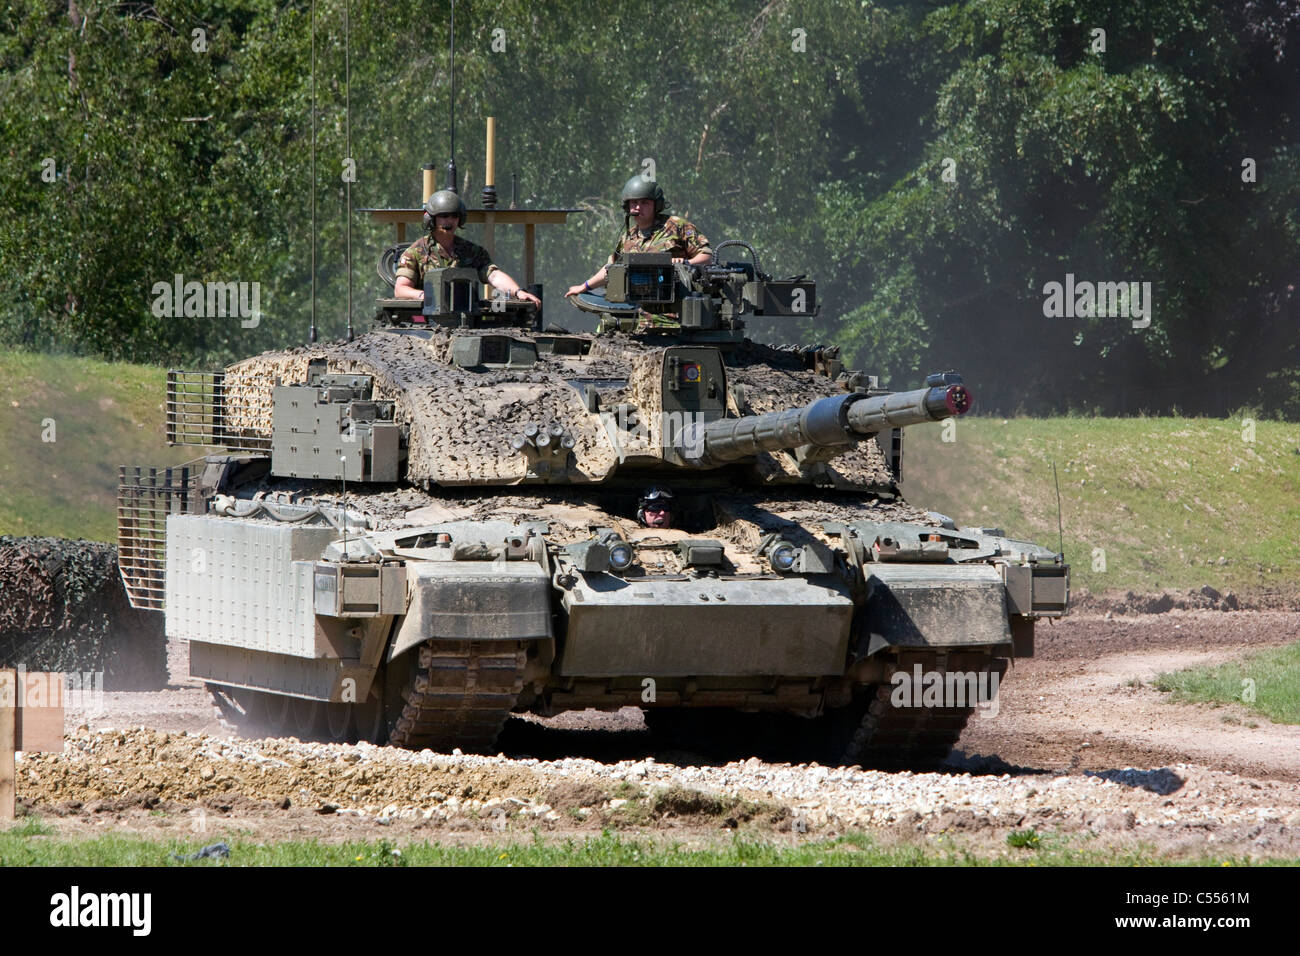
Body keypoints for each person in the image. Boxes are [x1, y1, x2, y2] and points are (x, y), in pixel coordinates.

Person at [564, 175, 712, 299]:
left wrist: (686, 263)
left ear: (656, 205)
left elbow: (707, 257)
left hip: (676, 316)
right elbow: (611, 268)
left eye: (644, 203)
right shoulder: (628, 237)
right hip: (638, 318)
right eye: (634, 203)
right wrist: (584, 286)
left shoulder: (677, 226)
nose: (638, 207)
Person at [394, 189, 540, 307]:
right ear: (432, 219)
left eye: (454, 216)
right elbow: (400, 289)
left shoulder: (471, 251)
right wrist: (424, 296)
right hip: (427, 319)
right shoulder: (415, 252)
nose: (450, 221)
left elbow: (494, 275)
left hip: (467, 319)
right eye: (444, 216)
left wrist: (518, 292)